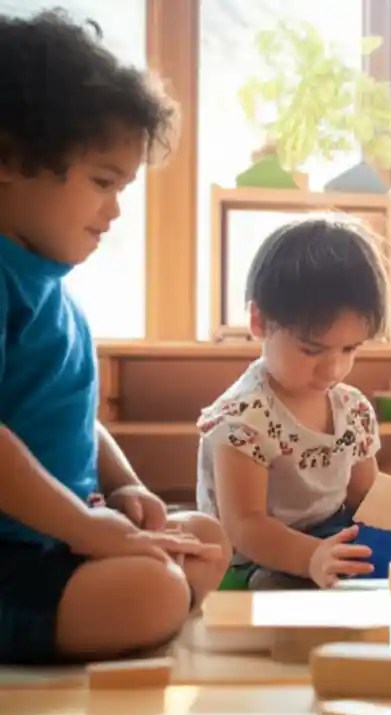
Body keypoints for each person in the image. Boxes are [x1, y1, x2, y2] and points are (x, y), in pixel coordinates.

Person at [0, 10, 229, 664]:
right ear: (10, 157)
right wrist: (86, 528)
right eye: (103, 182)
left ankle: (120, 594)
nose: (117, 210)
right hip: (12, 556)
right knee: (154, 591)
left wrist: (125, 488)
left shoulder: (54, 289)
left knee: (204, 539)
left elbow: (73, 416)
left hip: (61, 540)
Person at [197, 217, 391, 590]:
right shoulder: (243, 419)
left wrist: (385, 523)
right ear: (260, 322)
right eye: (312, 349)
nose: (333, 368)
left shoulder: (350, 408)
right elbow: (245, 525)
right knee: (278, 586)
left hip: (333, 531)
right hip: (258, 557)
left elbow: (363, 501)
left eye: (350, 349)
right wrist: (312, 557)